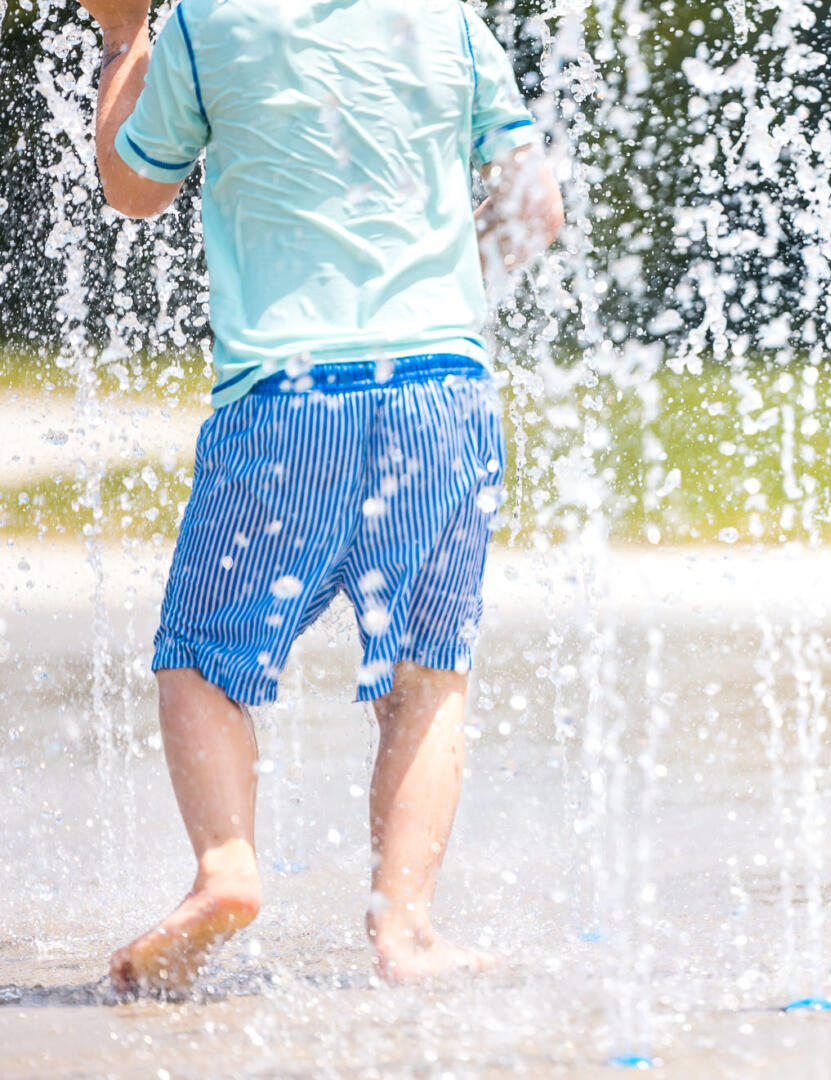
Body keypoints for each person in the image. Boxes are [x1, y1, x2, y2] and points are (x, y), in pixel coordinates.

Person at [81, 0, 563, 992]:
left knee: (202, 663)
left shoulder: (207, 24)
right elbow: (534, 209)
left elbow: (131, 188)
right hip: (442, 390)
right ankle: (406, 930)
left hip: (287, 398)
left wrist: (125, 37)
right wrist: (448, 300)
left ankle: (225, 871)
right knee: (425, 679)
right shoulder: (447, 21)